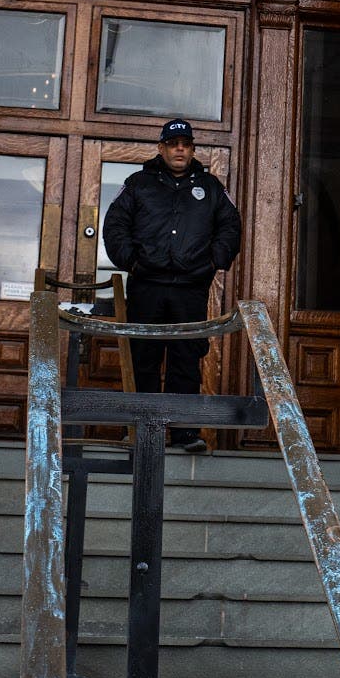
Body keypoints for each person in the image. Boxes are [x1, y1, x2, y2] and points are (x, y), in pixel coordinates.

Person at [103, 118, 242, 453]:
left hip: (190, 289)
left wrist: (212, 262)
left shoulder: (210, 187)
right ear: (161, 148)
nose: (179, 150)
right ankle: (142, 432)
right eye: (173, 144)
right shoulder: (138, 184)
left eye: (186, 145)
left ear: (192, 149)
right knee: (143, 358)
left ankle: (184, 434)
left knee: (186, 358)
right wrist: (133, 262)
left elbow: (230, 228)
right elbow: (115, 226)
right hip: (146, 287)